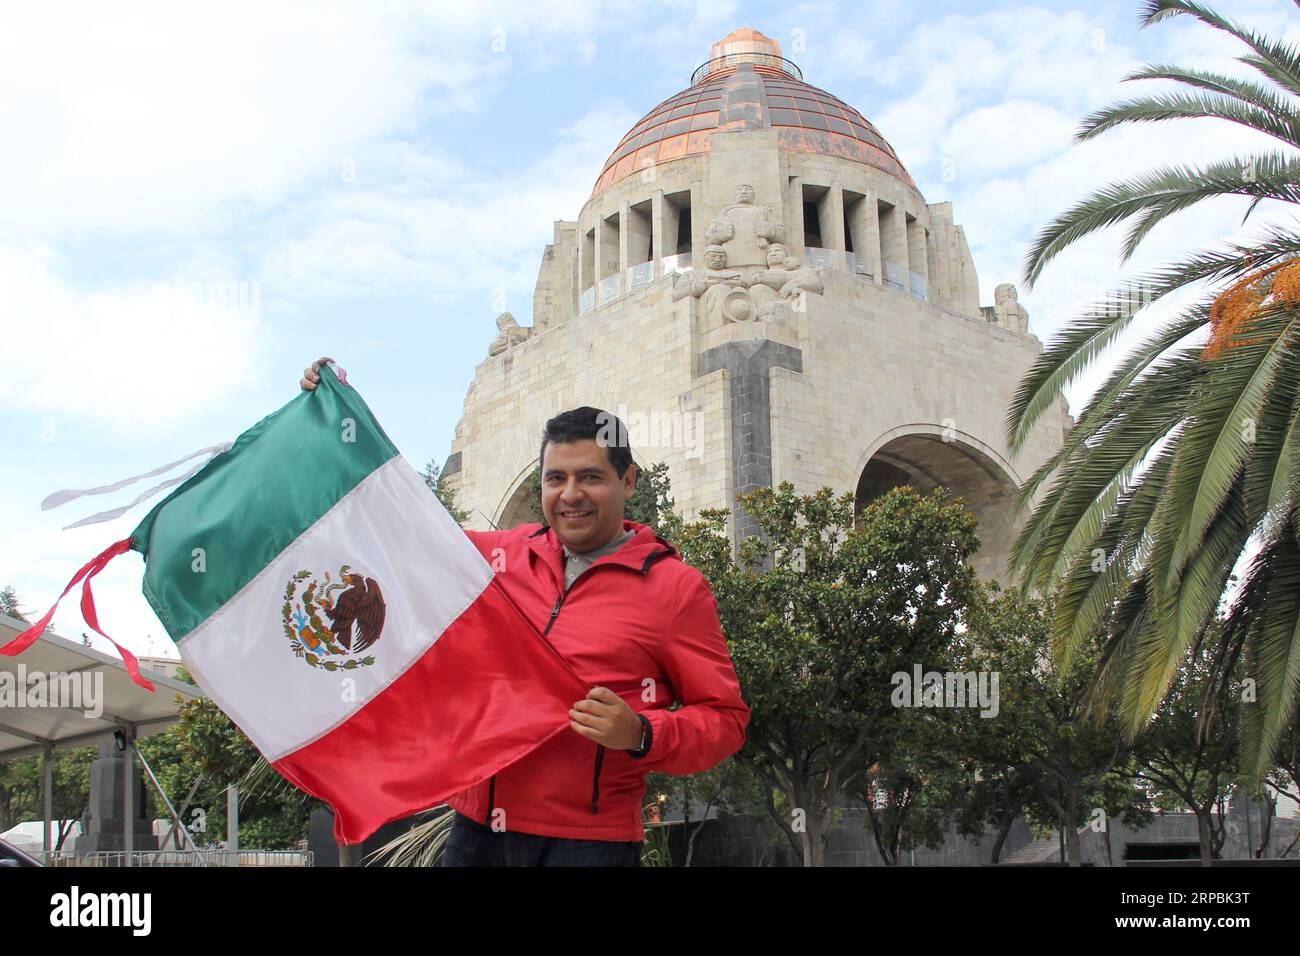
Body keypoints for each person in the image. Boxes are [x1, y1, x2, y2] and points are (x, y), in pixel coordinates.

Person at [300, 357, 750, 866]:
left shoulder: (675, 589)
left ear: (628, 482)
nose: (571, 494)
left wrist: (643, 734)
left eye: (591, 477)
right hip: (474, 835)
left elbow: (724, 721)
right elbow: (399, 529)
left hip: (589, 846)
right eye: (555, 478)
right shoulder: (493, 558)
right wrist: (339, 424)